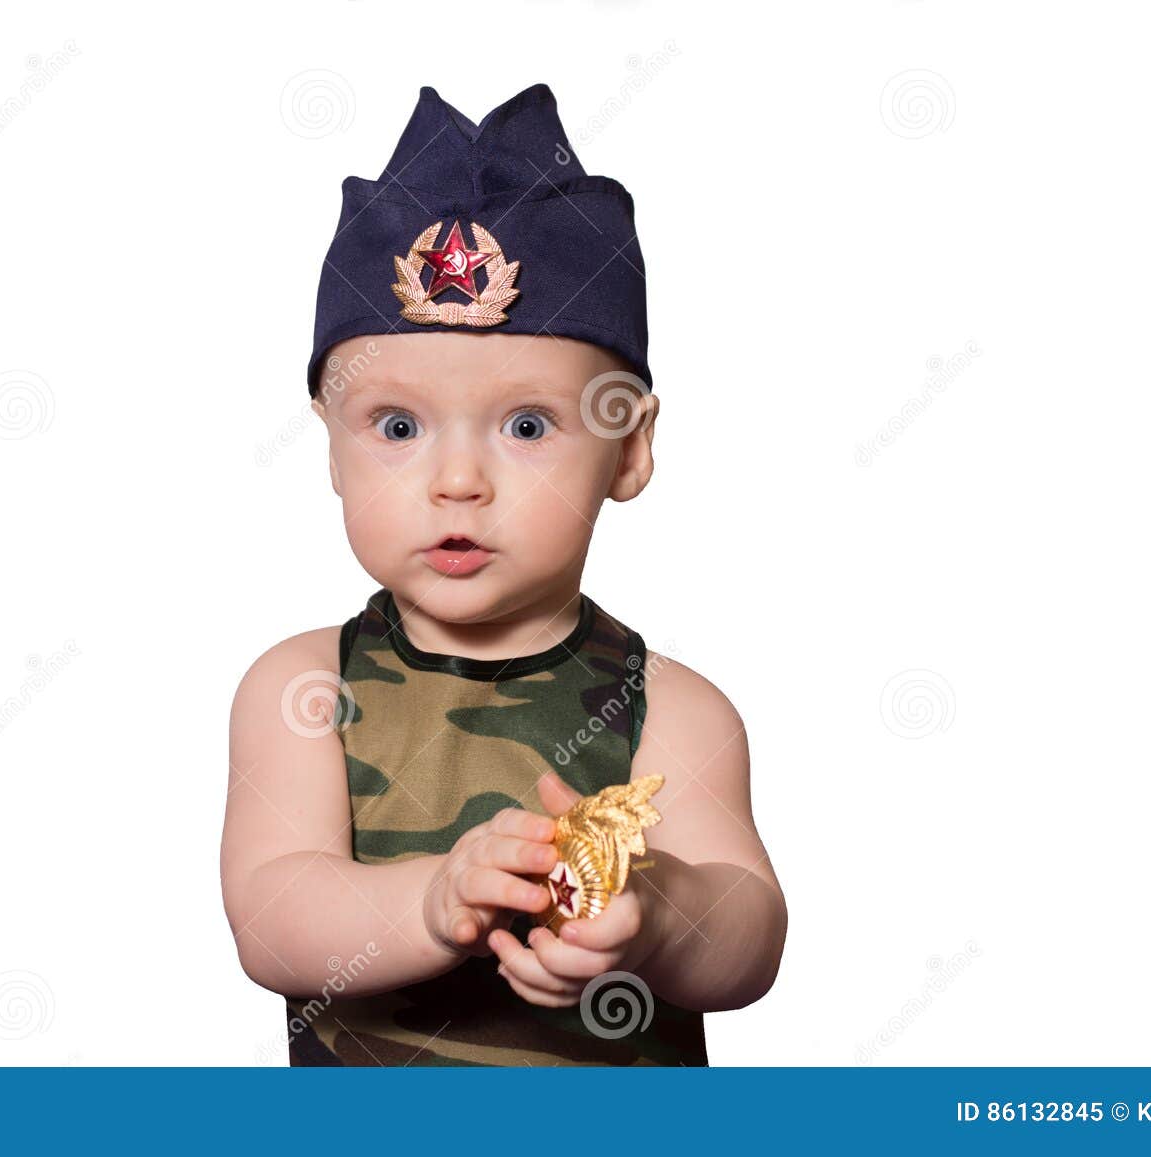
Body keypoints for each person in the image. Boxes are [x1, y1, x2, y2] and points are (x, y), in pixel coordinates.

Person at [221, 84, 786, 1065]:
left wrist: (654, 910)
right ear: (330, 451)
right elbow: (272, 915)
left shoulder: (672, 710)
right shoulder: (304, 690)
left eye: (528, 426)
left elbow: (748, 940)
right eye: (396, 426)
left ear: (626, 450)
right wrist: (430, 902)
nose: (455, 481)